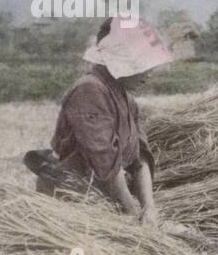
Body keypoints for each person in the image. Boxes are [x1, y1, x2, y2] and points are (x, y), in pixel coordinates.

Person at [28, 17, 174, 222]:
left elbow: (140, 158)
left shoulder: (127, 99)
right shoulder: (89, 91)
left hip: (108, 199)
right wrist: (133, 214)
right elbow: (106, 162)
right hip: (74, 202)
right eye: (143, 65)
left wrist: (149, 208)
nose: (149, 74)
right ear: (123, 60)